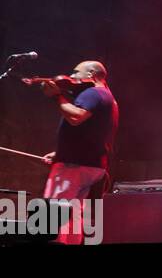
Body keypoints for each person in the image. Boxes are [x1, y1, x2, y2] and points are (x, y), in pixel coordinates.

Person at [37, 61, 118, 245]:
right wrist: (60, 153)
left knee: (51, 219)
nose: (71, 77)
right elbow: (90, 134)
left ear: (91, 73)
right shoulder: (109, 99)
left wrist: (57, 97)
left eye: (75, 72)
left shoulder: (93, 93)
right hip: (91, 167)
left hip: (73, 167)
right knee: (71, 220)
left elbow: (76, 117)